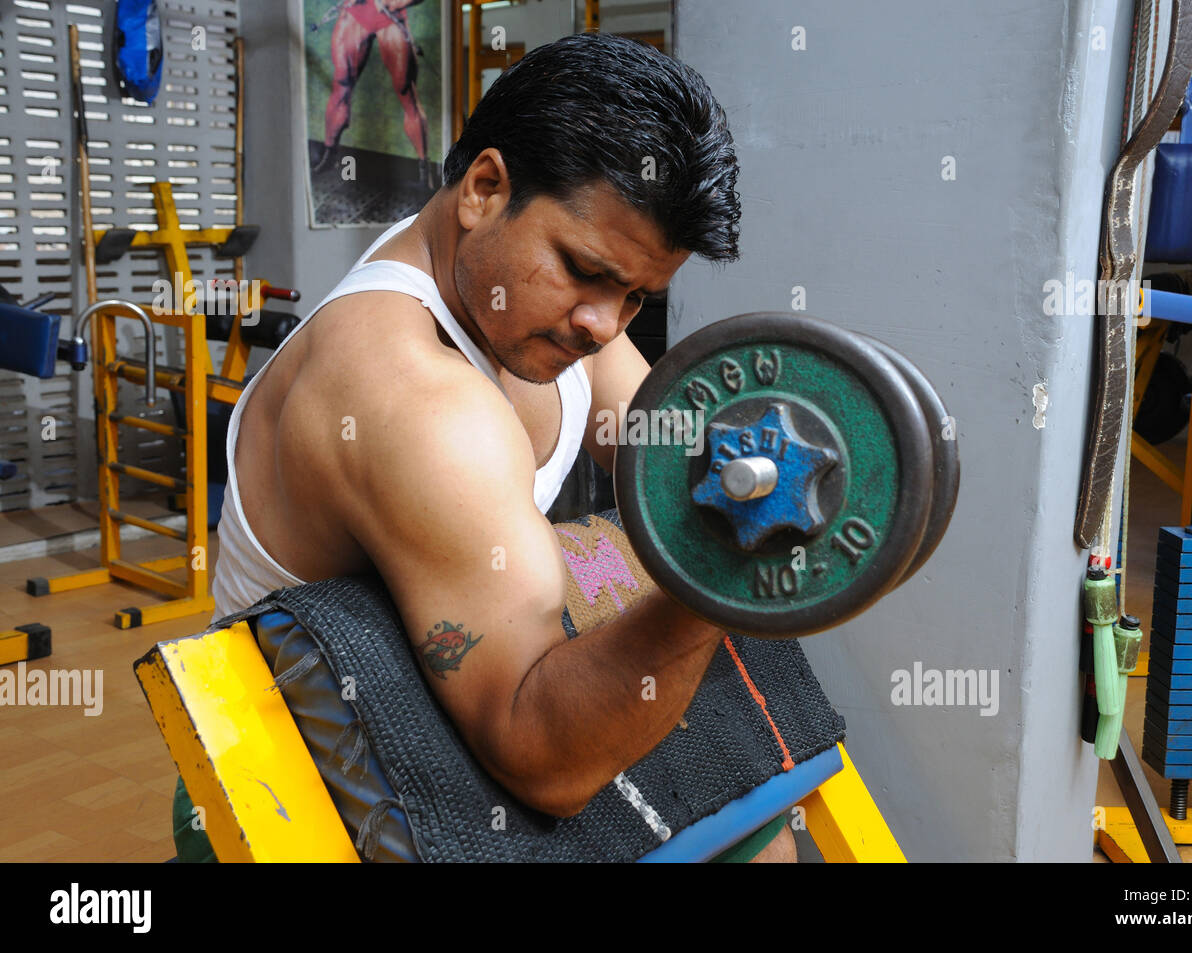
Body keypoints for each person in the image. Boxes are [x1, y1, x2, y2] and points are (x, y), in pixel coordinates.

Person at [179, 32, 795, 863]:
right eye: (585, 270)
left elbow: (668, 457)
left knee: (761, 829)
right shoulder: (412, 399)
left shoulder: (527, 295)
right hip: (296, 767)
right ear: (484, 187)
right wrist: (720, 577)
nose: (605, 325)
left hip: (438, 693)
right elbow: (544, 755)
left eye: (638, 295)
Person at [313, 0, 430, 185]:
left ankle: (424, 170)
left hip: (389, 14)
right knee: (341, 83)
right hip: (356, 13)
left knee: (405, 88)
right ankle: (329, 155)